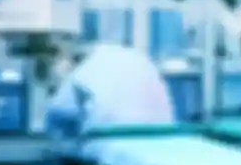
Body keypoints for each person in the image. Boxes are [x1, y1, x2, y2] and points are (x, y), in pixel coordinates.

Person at [43, 43, 175, 135]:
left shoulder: (82, 72)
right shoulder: (135, 58)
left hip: (110, 138)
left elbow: (56, 113)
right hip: (163, 134)